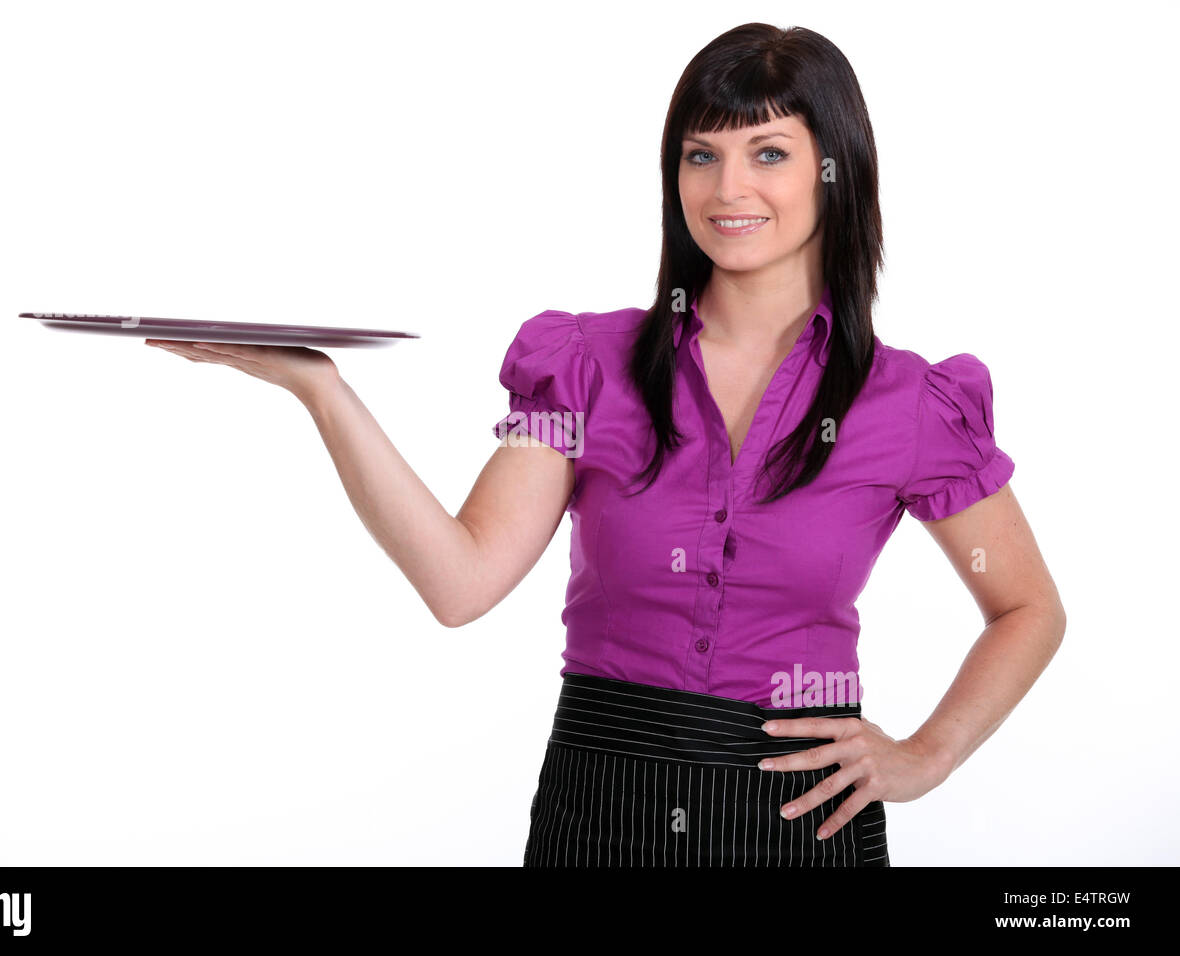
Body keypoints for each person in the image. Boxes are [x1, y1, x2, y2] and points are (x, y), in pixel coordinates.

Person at [145, 22, 1066, 867]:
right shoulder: (586, 365)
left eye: (769, 153)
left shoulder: (909, 402)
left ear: (838, 171)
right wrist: (323, 391)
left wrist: (927, 755)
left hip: (803, 817)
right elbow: (460, 583)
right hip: (601, 805)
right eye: (700, 155)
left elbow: (1027, 607)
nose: (726, 188)